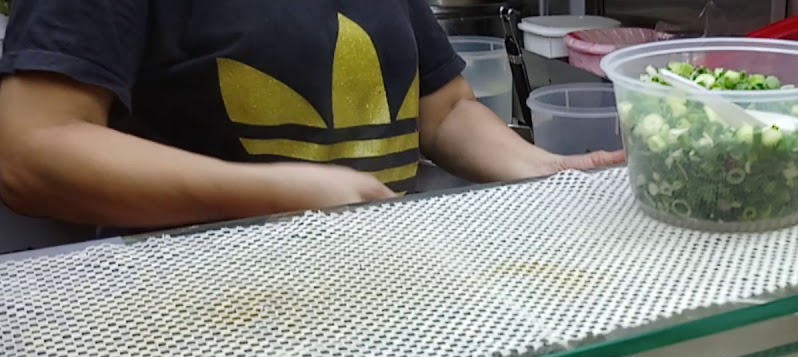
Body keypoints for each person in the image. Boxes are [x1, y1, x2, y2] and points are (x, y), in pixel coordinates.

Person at [0, 0, 622, 233]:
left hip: (380, 284)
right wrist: (283, 192)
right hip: (204, 313)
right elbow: (29, 148)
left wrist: (547, 172)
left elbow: (446, 108)